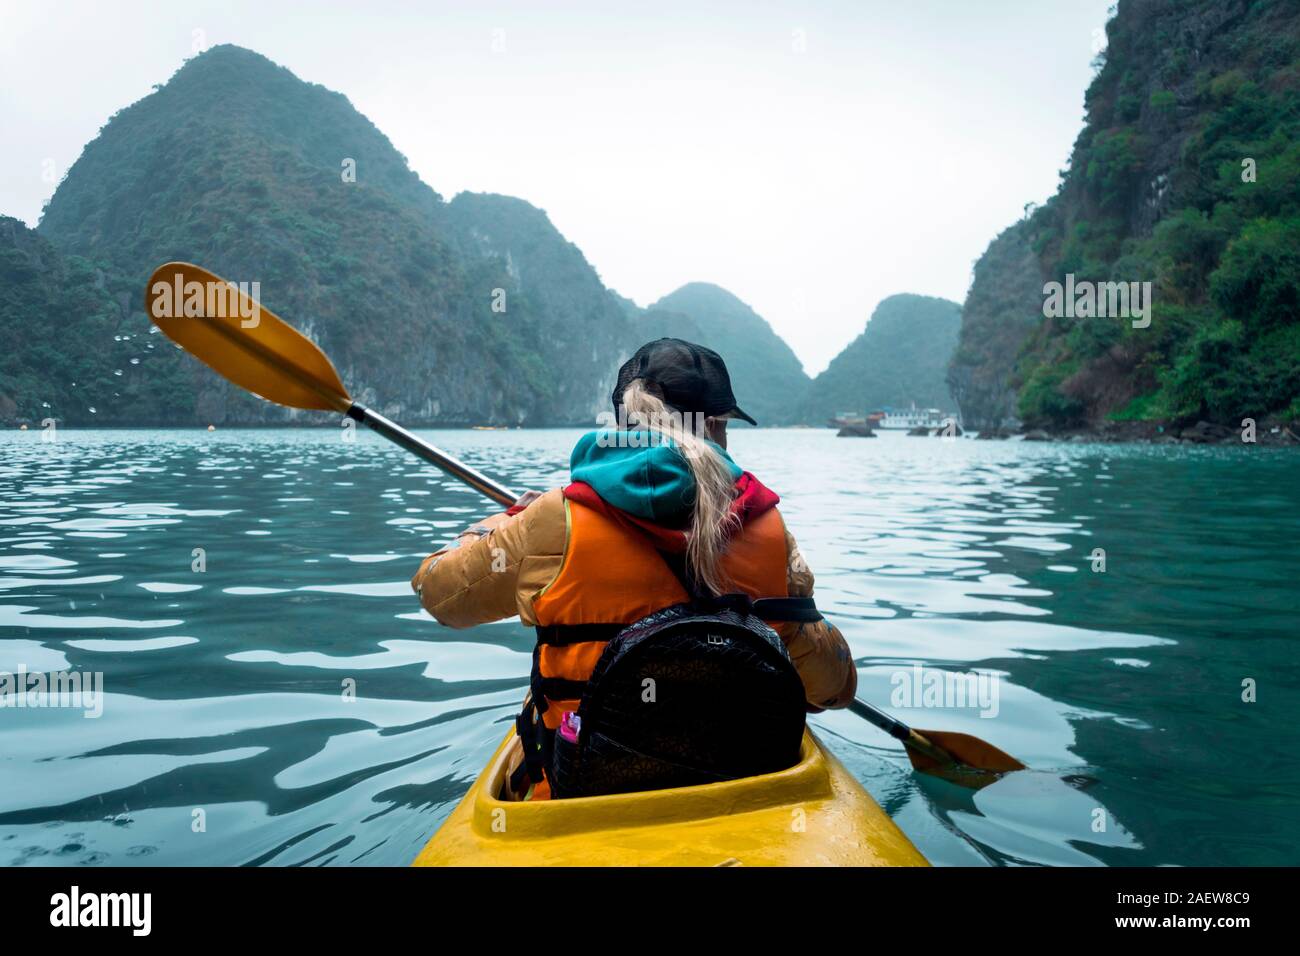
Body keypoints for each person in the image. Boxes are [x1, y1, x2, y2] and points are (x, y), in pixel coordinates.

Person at [411, 338, 857, 798]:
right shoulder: (767, 529)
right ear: (717, 426)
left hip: (578, 796)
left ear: (623, 423)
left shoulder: (552, 521)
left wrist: (507, 523)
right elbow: (833, 689)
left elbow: (438, 593)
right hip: (739, 792)